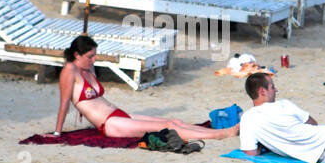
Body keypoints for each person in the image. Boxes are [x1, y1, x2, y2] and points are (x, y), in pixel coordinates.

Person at [55, 35, 238, 142]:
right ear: (77, 55)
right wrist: (57, 133)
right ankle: (220, 134)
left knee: (173, 121)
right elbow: (64, 104)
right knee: (168, 127)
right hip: (110, 124)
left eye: (94, 55)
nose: (94, 60)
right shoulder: (70, 70)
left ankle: (217, 132)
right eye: (90, 56)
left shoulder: (88, 67)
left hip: (118, 114)